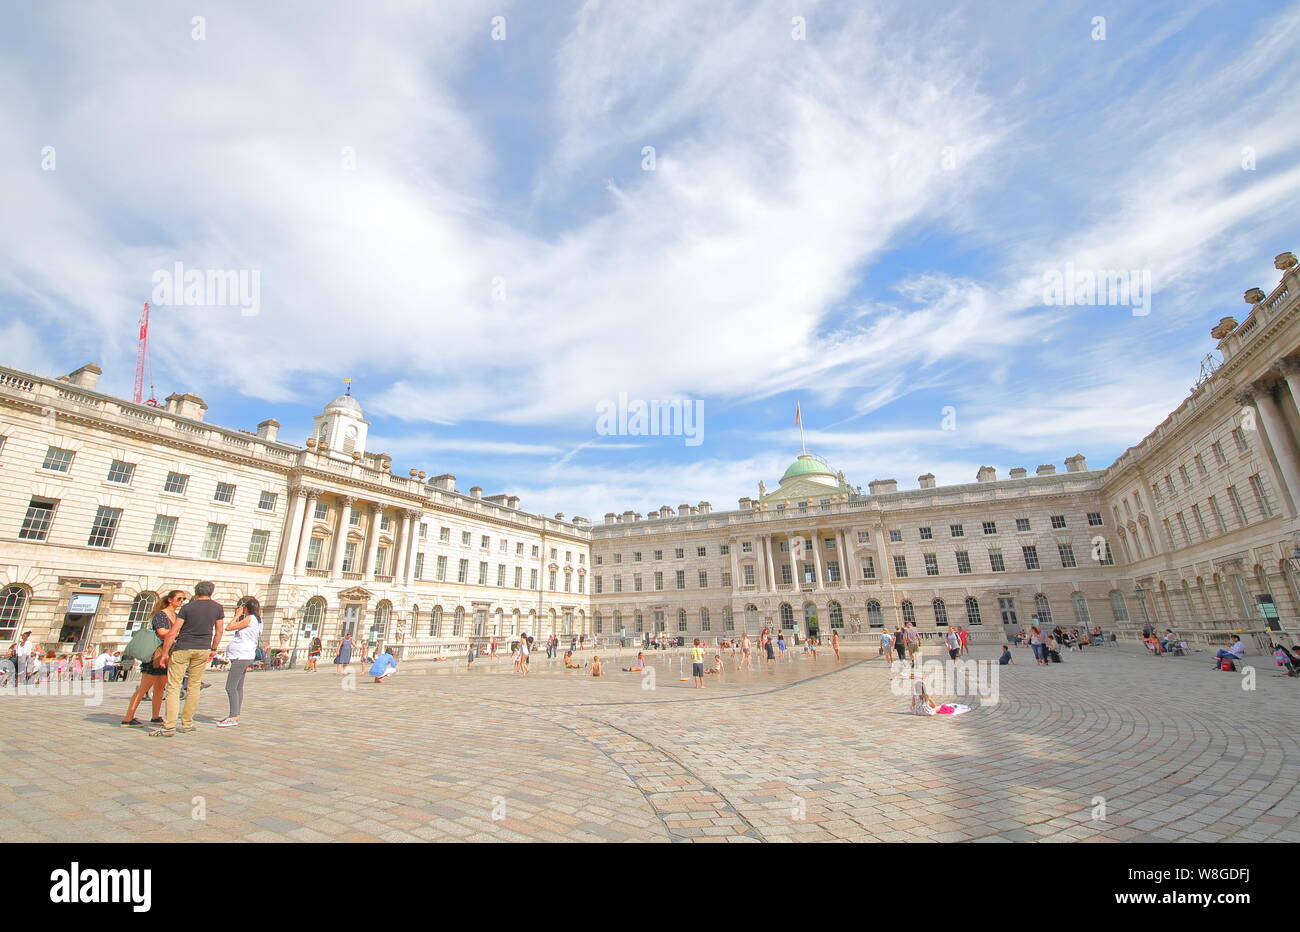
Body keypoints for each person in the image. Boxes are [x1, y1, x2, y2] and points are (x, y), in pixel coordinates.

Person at [150, 581, 225, 738]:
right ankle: (187, 723)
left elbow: (173, 632)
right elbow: (219, 632)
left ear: (196, 592)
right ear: (211, 592)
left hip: (183, 648)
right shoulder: (218, 608)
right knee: (194, 686)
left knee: (173, 687)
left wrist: (164, 653)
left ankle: (169, 726)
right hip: (203, 649)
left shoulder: (187, 607)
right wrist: (213, 649)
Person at [122, 590, 185, 727]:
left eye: (183, 599)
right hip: (156, 654)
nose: (181, 601)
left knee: (160, 687)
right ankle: (128, 718)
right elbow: (162, 633)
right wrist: (178, 632)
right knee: (144, 687)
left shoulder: (176, 615)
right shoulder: (160, 615)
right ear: (170, 599)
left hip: (168, 653)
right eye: (179, 598)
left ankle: (155, 716)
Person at [217, 597, 262, 727]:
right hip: (245, 655)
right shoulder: (258, 620)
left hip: (241, 656)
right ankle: (235, 714)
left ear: (246, 608)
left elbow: (229, 627)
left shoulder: (250, 618)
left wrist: (237, 615)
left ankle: (233, 716)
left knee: (230, 687)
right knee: (238, 687)